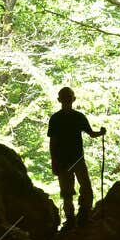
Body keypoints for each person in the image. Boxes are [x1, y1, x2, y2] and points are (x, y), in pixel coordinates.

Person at [48, 87, 105, 226]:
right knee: (85, 188)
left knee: (67, 193)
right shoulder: (78, 117)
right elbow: (91, 134)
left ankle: (71, 220)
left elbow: (52, 142)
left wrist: (54, 161)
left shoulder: (55, 118)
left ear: (59, 100)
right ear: (73, 99)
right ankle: (83, 216)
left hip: (62, 161)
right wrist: (101, 132)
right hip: (77, 159)